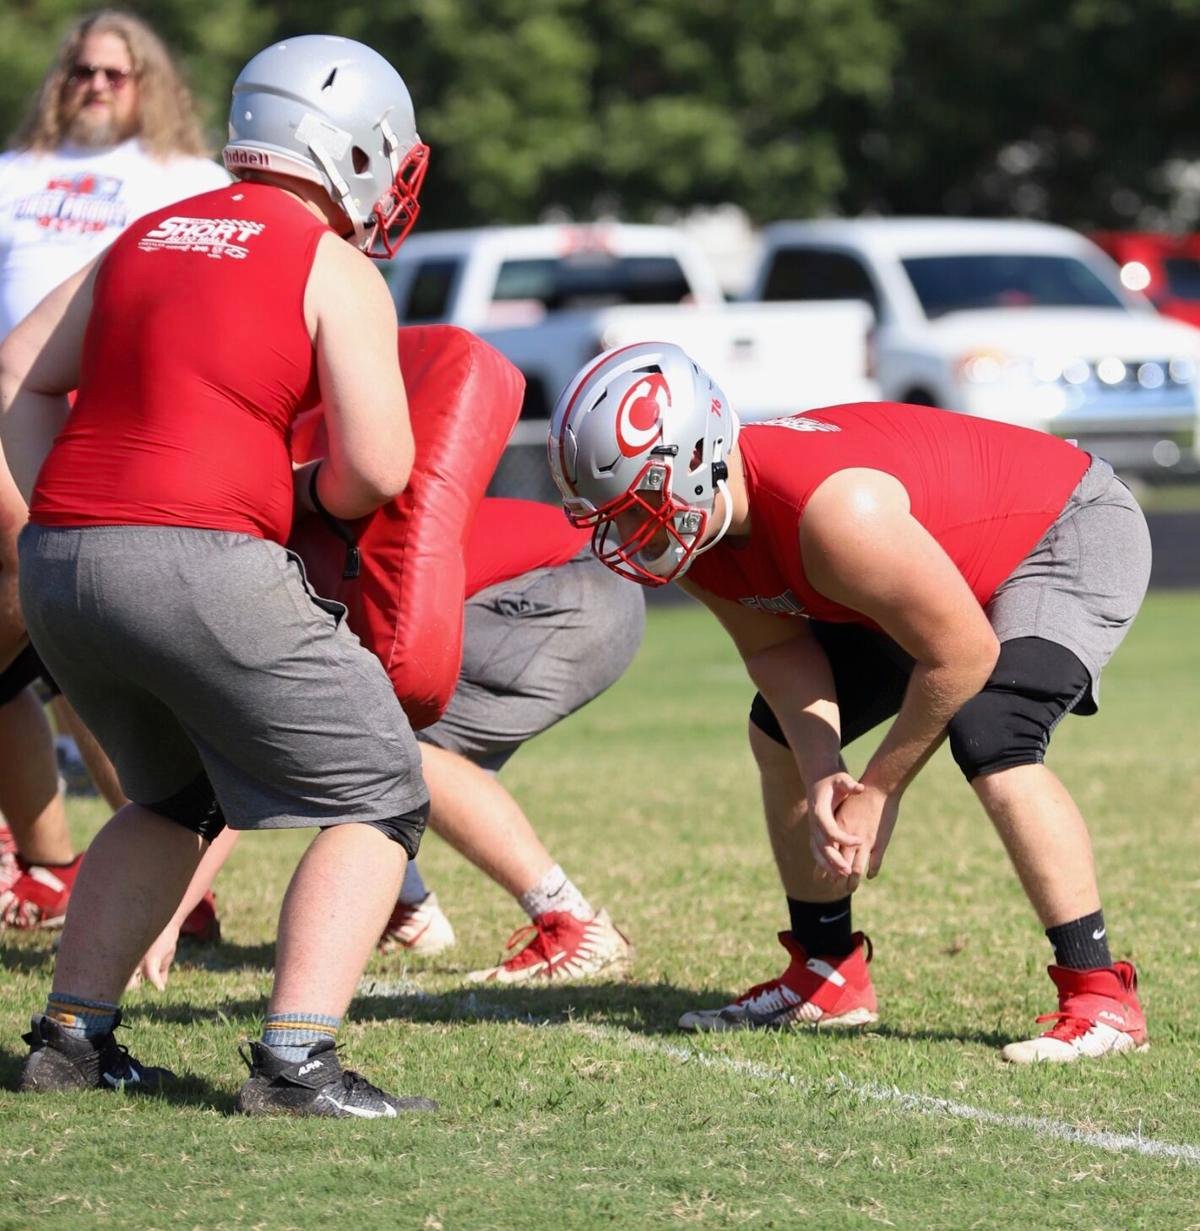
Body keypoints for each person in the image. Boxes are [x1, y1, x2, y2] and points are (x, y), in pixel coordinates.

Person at [1, 34, 438, 1117]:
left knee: (172, 794)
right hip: (194, 555)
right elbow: (378, 467)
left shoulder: (142, 233)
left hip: (60, 562)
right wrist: (299, 498)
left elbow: (17, 373)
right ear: (354, 148)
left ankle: (72, 1040)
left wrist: (59, 511)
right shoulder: (328, 262)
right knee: (379, 790)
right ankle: (296, 1065)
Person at [547, 341, 1152, 1065]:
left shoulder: (833, 513)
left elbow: (962, 654)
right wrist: (823, 771)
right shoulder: (703, 526)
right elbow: (778, 651)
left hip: (1061, 528)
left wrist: (880, 789)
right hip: (933, 567)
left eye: (641, 505)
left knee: (994, 729)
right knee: (779, 731)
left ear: (700, 455)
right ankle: (826, 971)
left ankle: (1101, 995)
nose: (632, 534)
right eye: (616, 515)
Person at [134, 496, 643, 990]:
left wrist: (163, 917)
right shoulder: (269, 545)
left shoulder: (268, 567)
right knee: (365, 741)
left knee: (376, 743)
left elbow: (245, 753)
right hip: (585, 583)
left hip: (572, 583)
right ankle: (406, 909)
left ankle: (570, 923)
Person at [0, 9, 229, 928]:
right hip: (12, 416)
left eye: (114, 74)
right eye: (80, 72)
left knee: (75, 645)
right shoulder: (14, 175)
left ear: (149, 85)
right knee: (37, 652)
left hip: (121, 428)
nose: (94, 87)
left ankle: (166, 869)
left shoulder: (188, 179)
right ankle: (54, 864)